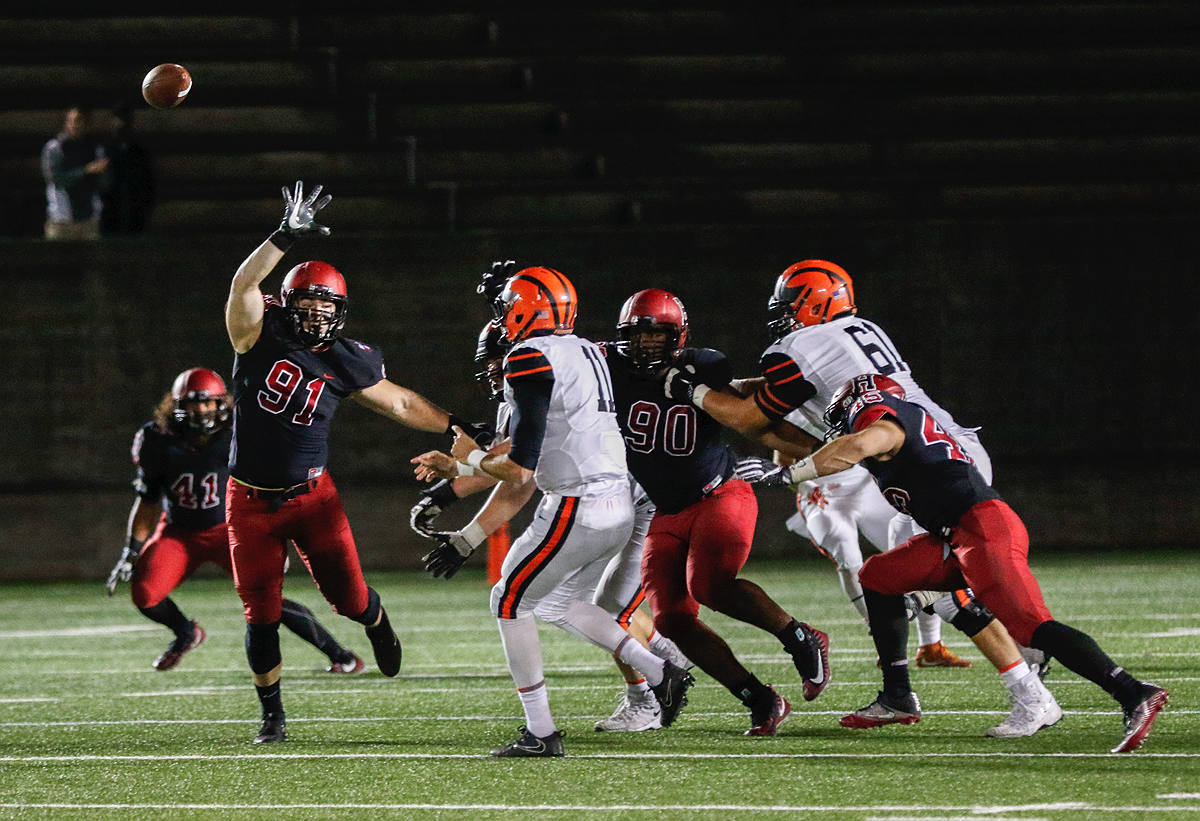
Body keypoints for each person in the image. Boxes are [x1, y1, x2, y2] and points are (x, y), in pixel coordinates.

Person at [665, 260, 1061, 736]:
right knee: (896, 576)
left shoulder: (798, 348)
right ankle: (902, 691)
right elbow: (774, 401)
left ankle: (1029, 680)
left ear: (814, 304)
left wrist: (695, 392)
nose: (782, 315)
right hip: (941, 447)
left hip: (929, 463)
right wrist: (725, 392)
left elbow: (753, 418)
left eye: (789, 305)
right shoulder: (856, 331)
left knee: (937, 591)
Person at [777, 372, 1167, 752]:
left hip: (981, 530)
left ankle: (1133, 692)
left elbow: (864, 442)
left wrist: (789, 473)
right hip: (955, 536)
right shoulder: (900, 428)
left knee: (1030, 626)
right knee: (878, 575)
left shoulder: (884, 420)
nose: (839, 427)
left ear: (859, 403)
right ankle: (897, 696)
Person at [224, 181, 475, 744]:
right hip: (249, 502)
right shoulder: (256, 333)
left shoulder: (347, 358)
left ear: (340, 310)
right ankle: (272, 714)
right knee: (260, 613)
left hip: (313, 498)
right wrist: (284, 236)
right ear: (286, 303)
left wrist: (456, 424)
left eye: (326, 305)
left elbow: (401, 403)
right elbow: (243, 284)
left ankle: (376, 623)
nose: (316, 314)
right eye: (306, 303)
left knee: (349, 599)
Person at [412, 266, 694, 757]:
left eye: (507, 308)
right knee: (556, 603)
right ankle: (659, 672)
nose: (503, 318)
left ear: (525, 311)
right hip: (616, 502)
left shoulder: (527, 355)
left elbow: (520, 468)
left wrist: (468, 458)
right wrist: (463, 483)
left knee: (507, 601)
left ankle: (541, 732)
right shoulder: (586, 350)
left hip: (577, 505)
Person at [602, 288, 832, 736]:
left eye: (658, 335)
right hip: (666, 510)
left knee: (710, 586)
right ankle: (760, 699)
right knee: (671, 620)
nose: (647, 344)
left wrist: (811, 452)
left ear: (679, 336)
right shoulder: (607, 366)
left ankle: (799, 636)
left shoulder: (701, 367)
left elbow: (748, 415)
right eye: (639, 335)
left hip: (719, 493)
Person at [105, 367, 363, 675]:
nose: (201, 409)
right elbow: (147, 500)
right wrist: (130, 552)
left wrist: (274, 530)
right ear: (177, 406)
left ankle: (339, 654)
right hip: (179, 531)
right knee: (145, 594)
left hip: (232, 531)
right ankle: (186, 632)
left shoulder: (241, 432)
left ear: (221, 404)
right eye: (193, 403)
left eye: (208, 402)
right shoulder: (156, 438)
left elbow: (276, 482)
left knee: (268, 600)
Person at [40, 106, 108, 240]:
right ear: (67, 122)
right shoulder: (54, 148)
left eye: (84, 121)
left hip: (88, 221)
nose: (79, 125)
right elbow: (55, 178)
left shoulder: (96, 149)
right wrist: (85, 170)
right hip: (60, 221)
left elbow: (104, 183)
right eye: (76, 120)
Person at [100, 101, 155, 236]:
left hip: (134, 211)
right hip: (109, 211)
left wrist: (143, 207)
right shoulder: (104, 149)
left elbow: (149, 182)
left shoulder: (140, 152)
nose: (120, 124)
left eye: (124, 120)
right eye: (117, 120)